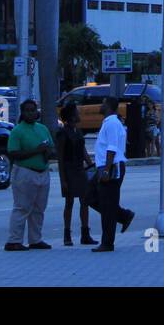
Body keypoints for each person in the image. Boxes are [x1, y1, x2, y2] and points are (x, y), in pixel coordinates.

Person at [5, 99, 54, 251]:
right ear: (22, 112)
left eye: (33, 110)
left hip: (42, 172)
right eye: (27, 110)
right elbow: (13, 153)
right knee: (22, 207)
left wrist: (47, 152)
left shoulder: (42, 128)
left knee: (39, 208)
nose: (31, 113)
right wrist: (37, 151)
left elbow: (51, 148)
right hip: (25, 172)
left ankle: (35, 239)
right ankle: (14, 240)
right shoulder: (17, 131)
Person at [92, 96, 136, 252]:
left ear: (108, 106)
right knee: (92, 197)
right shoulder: (111, 122)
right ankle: (123, 216)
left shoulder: (111, 123)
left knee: (108, 205)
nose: (101, 105)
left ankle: (107, 242)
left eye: (103, 103)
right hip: (106, 166)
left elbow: (111, 148)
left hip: (111, 167)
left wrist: (106, 170)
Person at [54, 103, 98, 246]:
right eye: (77, 112)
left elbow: (83, 150)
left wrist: (91, 165)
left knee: (85, 201)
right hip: (68, 169)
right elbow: (60, 158)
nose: (79, 114)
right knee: (69, 202)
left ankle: (85, 234)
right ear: (72, 116)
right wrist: (63, 180)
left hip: (80, 170)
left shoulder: (77, 131)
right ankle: (67, 235)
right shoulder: (63, 133)